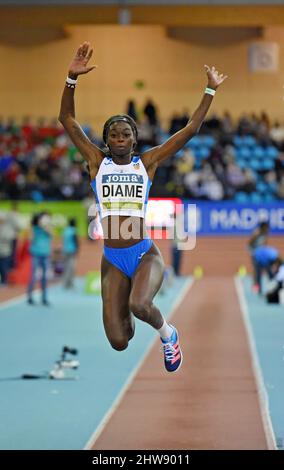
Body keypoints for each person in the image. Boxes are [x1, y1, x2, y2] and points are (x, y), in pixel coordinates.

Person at [59, 41, 227, 372]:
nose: (120, 139)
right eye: (114, 135)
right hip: (112, 259)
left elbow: (190, 130)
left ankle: (168, 334)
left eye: (125, 134)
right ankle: (127, 310)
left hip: (143, 253)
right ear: (107, 142)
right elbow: (66, 118)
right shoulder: (97, 162)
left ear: (134, 140)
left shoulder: (146, 164)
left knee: (140, 304)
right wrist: (71, 79)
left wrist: (210, 89)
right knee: (119, 340)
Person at [27, 212, 52, 306]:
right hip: (36, 254)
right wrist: (35, 228)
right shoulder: (34, 229)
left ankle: (44, 298)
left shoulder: (47, 228)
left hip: (45, 254)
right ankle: (30, 297)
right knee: (33, 276)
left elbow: (51, 235)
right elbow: (30, 238)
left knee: (45, 277)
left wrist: (45, 227)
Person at [248, 221, 269, 292]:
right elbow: (249, 243)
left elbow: (264, 243)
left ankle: (258, 284)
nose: (268, 228)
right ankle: (255, 285)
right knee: (256, 270)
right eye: (266, 227)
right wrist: (254, 253)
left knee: (261, 269)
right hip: (254, 253)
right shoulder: (257, 233)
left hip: (261, 253)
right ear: (263, 227)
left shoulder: (265, 233)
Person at [62, 218, 79, 289]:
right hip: (72, 251)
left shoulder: (65, 230)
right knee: (71, 268)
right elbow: (76, 241)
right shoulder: (73, 231)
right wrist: (77, 249)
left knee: (66, 267)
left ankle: (65, 283)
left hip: (65, 250)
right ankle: (69, 283)